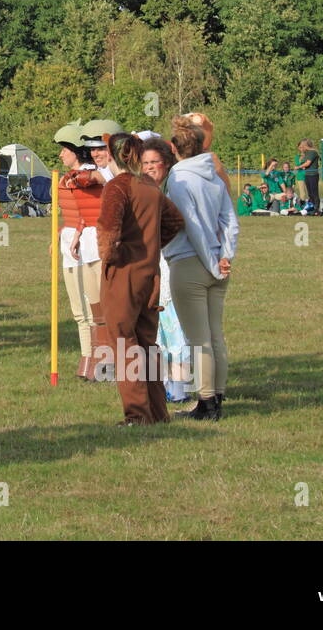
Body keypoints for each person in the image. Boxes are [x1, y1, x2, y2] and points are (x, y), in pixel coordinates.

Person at [95, 133, 185, 425]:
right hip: (151, 272)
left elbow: (108, 232)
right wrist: (152, 244)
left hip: (124, 273)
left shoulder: (117, 187)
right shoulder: (149, 186)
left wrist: (111, 258)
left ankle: (136, 414)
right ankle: (158, 412)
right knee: (147, 343)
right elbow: (175, 222)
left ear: (112, 156)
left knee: (123, 343)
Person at [163, 118, 240, 421]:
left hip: (190, 261)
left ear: (173, 148)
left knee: (198, 339)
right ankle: (216, 395)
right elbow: (230, 221)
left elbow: (191, 224)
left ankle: (207, 403)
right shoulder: (214, 175)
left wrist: (212, 260)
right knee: (215, 335)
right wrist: (225, 256)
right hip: (217, 262)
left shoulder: (179, 178)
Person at [53, 120, 108, 380]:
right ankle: (89, 356)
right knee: (80, 310)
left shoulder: (93, 175)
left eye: (65, 148)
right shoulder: (70, 178)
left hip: (91, 245)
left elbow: (90, 213)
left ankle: (98, 360)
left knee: (93, 308)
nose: (61, 154)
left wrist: (74, 231)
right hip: (75, 244)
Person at [141, 137, 192, 402]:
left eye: (155, 162)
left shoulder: (175, 189)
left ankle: (180, 386)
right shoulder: (141, 191)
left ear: (166, 164)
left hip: (172, 263)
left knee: (175, 327)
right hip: (149, 267)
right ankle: (159, 384)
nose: (150, 167)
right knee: (155, 329)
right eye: (145, 163)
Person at [296, 139, 321, 213]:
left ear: (305, 145)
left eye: (301, 147)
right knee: (310, 193)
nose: (300, 149)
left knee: (314, 192)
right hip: (307, 174)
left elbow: (308, 163)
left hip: (313, 175)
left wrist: (299, 167)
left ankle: (316, 208)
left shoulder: (312, 152)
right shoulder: (307, 153)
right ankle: (312, 206)